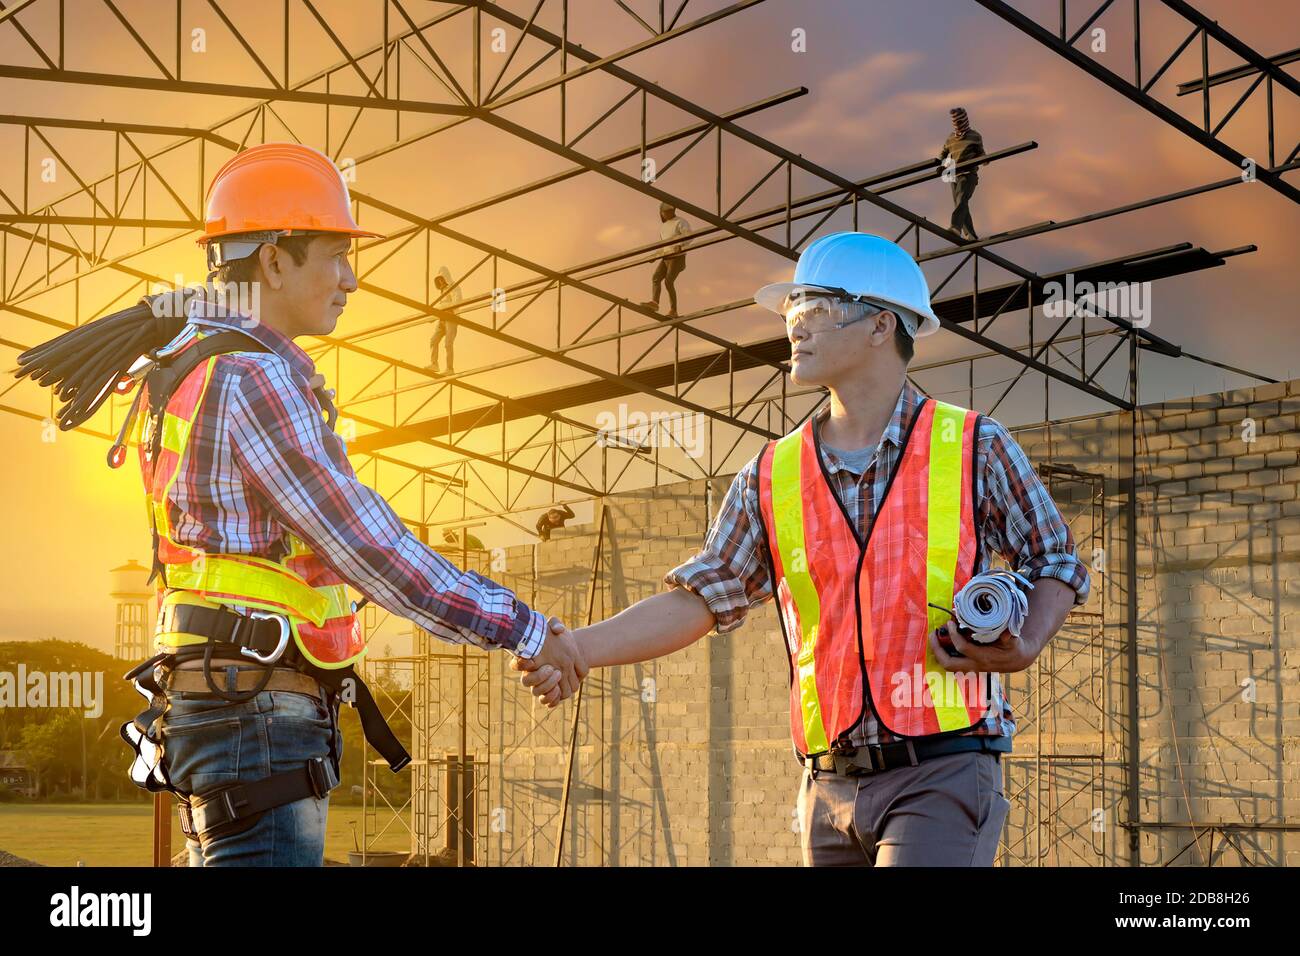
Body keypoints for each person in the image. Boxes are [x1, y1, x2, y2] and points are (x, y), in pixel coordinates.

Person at [15, 143, 585, 866]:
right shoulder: (254, 377)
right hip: (257, 718)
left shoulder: (191, 365)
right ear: (274, 261)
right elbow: (369, 547)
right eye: (334, 255)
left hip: (218, 707)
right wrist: (525, 628)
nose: (350, 279)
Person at [517, 233, 1090, 867]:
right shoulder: (770, 474)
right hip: (826, 785)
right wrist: (575, 649)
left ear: (880, 324)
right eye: (793, 312)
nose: (796, 327)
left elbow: (1055, 558)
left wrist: (1028, 640)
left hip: (942, 764)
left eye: (815, 309)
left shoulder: (973, 444)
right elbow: (703, 597)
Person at [938, 107, 986, 242]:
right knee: (960, 203)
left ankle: (955, 227)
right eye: (956, 122)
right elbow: (943, 153)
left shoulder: (974, 136)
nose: (958, 125)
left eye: (960, 121)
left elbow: (981, 152)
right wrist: (941, 165)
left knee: (961, 200)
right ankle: (970, 235)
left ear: (965, 120)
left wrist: (984, 159)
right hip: (953, 174)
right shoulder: (950, 139)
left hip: (968, 173)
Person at [641, 201, 690, 317]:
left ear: (672, 211)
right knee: (656, 278)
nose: (665, 215)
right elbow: (665, 246)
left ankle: (674, 310)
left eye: (667, 212)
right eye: (663, 213)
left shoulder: (680, 222)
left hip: (677, 257)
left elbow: (689, 235)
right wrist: (655, 255)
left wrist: (681, 245)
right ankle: (654, 303)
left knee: (668, 282)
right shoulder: (664, 227)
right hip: (666, 256)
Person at [428, 265, 463, 375]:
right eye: (438, 281)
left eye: (441, 279)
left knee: (448, 343)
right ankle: (434, 364)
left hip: (451, 318)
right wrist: (433, 317)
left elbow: (458, 301)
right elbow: (441, 306)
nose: (441, 282)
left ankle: (450, 369)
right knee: (433, 340)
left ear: (445, 278)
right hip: (442, 319)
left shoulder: (454, 287)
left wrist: (444, 308)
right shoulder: (442, 292)